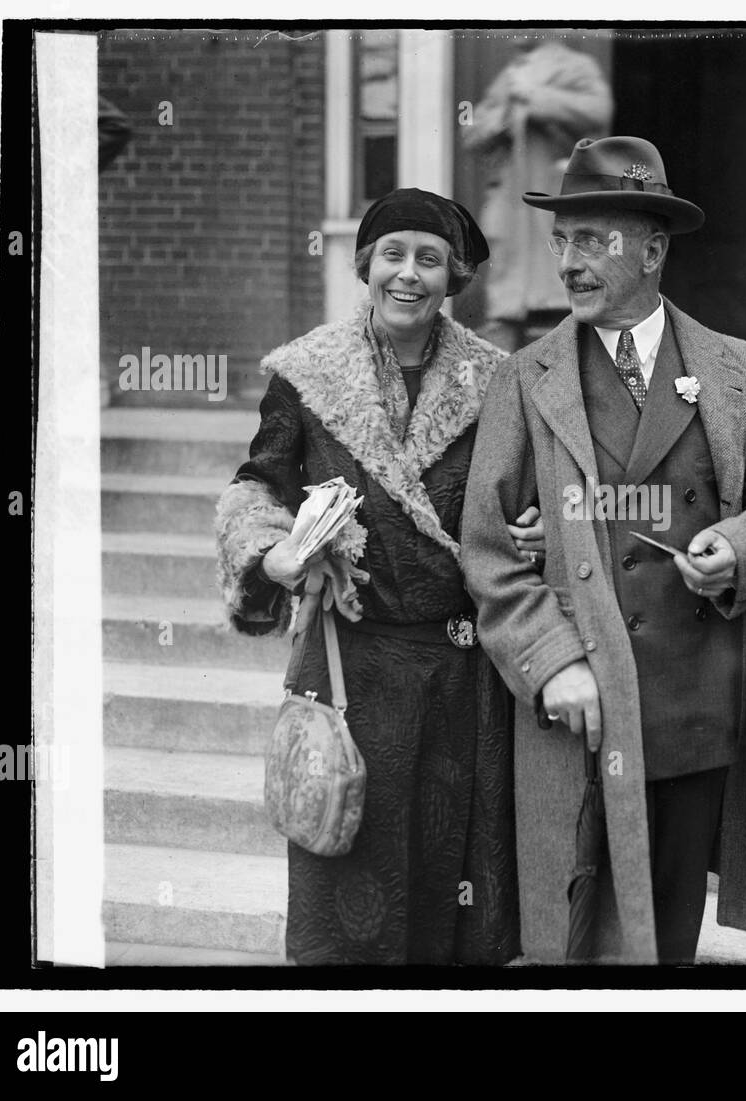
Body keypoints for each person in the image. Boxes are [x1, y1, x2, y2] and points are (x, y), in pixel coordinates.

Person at [460, 136, 746, 964]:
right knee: (569, 942)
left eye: (593, 239)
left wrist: (739, 546)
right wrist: (551, 661)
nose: (568, 262)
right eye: (561, 241)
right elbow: (485, 546)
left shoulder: (734, 368)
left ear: (652, 250)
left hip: (691, 712)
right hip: (579, 708)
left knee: (662, 948)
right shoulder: (526, 376)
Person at [215, 188, 543, 965]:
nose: (409, 274)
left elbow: (525, 500)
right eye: (392, 255)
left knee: (447, 892)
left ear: (453, 276)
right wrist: (274, 553)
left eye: (429, 260)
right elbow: (256, 487)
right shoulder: (306, 375)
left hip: (461, 680)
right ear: (365, 267)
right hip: (350, 669)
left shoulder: (499, 381)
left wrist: (536, 532)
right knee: (349, 900)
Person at [461, 36, 612, 352]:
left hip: (551, 203)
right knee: (502, 317)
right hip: (511, 213)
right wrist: (506, 113)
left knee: (561, 305)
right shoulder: (509, 76)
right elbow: (471, 131)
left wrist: (535, 98)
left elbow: (598, 109)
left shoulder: (575, 66)